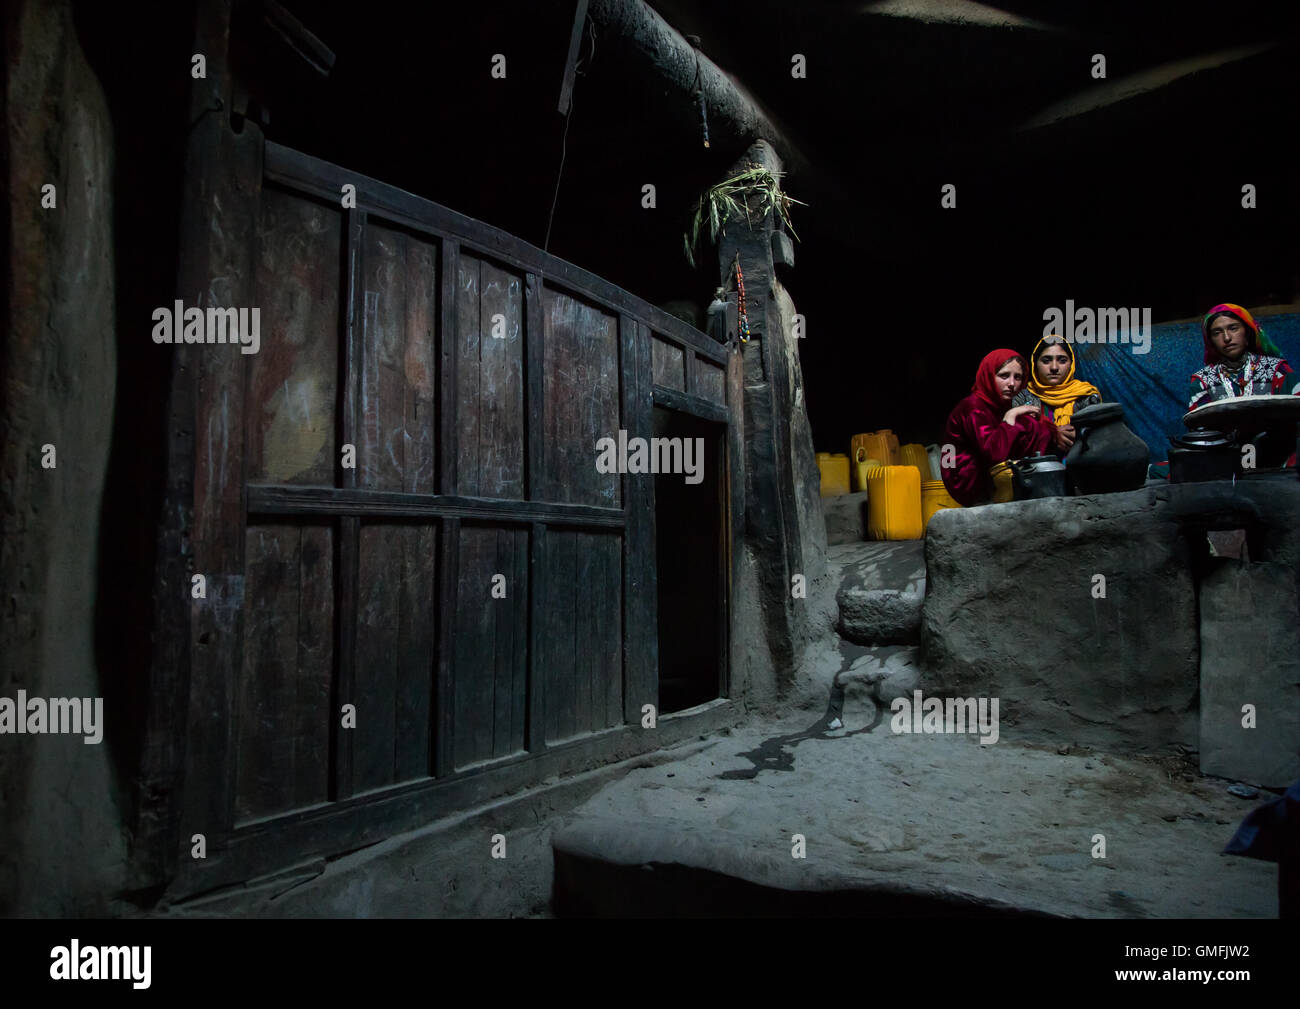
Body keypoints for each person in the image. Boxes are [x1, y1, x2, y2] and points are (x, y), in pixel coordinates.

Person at [941, 349, 1055, 506]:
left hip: (989, 468)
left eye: (1018, 377)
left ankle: (1031, 481)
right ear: (989, 375)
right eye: (1004, 376)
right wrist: (1010, 416)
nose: (1012, 384)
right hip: (963, 478)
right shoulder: (973, 407)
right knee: (1020, 422)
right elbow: (994, 454)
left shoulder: (1002, 404)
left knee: (1033, 425)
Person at [1189, 303, 1298, 410]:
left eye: (1233, 328)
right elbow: (1199, 425)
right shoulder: (1202, 381)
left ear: (1248, 333)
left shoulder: (1278, 371)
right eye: (1217, 333)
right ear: (1211, 341)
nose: (1227, 338)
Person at [1011, 335, 1102, 453]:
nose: (1054, 367)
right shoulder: (1023, 397)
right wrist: (1051, 434)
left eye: (1062, 361)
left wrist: (1078, 436)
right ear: (1035, 363)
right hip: (1037, 468)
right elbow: (1018, 439)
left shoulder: (1086, 395)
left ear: (1071, 364)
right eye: (1046, 361)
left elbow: (1100, 437)